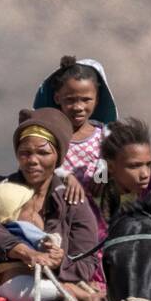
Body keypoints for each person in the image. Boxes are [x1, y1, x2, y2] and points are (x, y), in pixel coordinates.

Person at [0, 107, 104, 301]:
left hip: (53, 292)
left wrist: (59, 263)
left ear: (58, 156)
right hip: (6, 282)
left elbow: (87, 261)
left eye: (43, 152)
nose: (33, 160)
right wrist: (24, 252)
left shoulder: (73, 201)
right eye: (25, 153)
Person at [32, 56, 119, 208]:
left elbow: (117, 164)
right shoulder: (49, 136)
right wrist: (65, 177)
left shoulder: (105, 136)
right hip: (55, 210)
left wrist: (104, 172)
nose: (78, 107)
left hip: (97, 214)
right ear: (57, 98)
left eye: (86, 100)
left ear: (97, 99)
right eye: (71, 100)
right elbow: (38, 164)